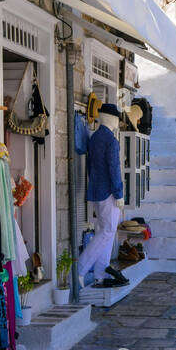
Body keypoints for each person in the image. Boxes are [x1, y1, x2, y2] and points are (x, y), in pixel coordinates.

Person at [77, 103, 126, 288]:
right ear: (110, 118)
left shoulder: (95, 137)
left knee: (107, 231)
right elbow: (114, 169)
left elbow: (92, 167)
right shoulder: (110, 140)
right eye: (116, 118)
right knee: (106, 231)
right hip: (109, 193)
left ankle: (100, 272)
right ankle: (80, 269)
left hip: (97, 190)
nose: (117, 121)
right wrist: (119, 193)